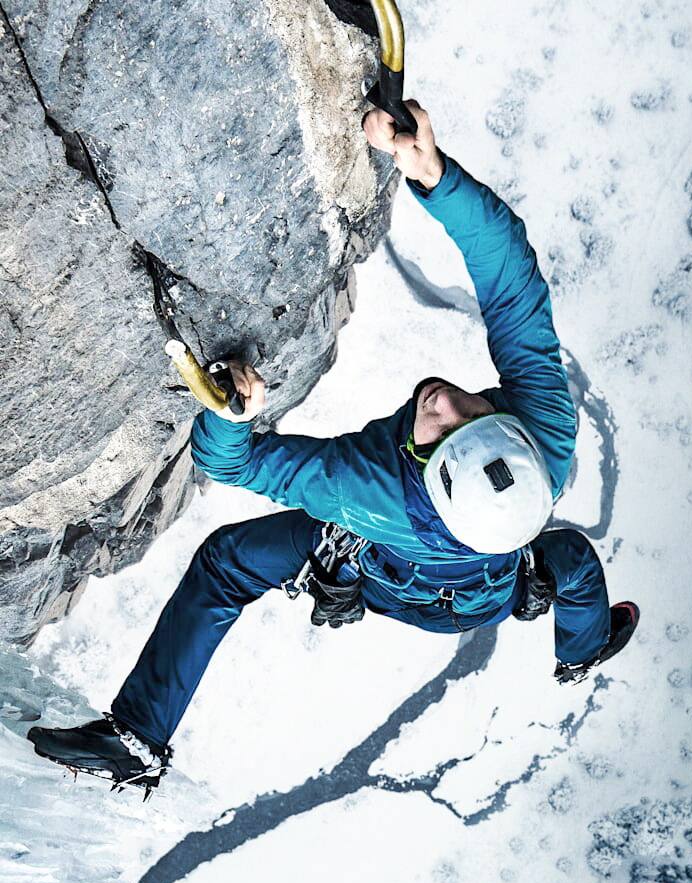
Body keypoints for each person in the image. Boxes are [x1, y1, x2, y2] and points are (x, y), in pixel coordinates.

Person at [28, 102, 639, 797]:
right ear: (513, 438)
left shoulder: (369, 491)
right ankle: (585, 647)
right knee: (572, 562)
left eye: (440, 435)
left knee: (227, 563)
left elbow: (231, 463)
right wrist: (434, 175)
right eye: (474, 416)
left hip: (383, 569)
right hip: (490, 589)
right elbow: (513, 283)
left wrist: (233, 416)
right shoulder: (543, 439)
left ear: (425, 473)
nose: (443, 402)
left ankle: (138, 735)